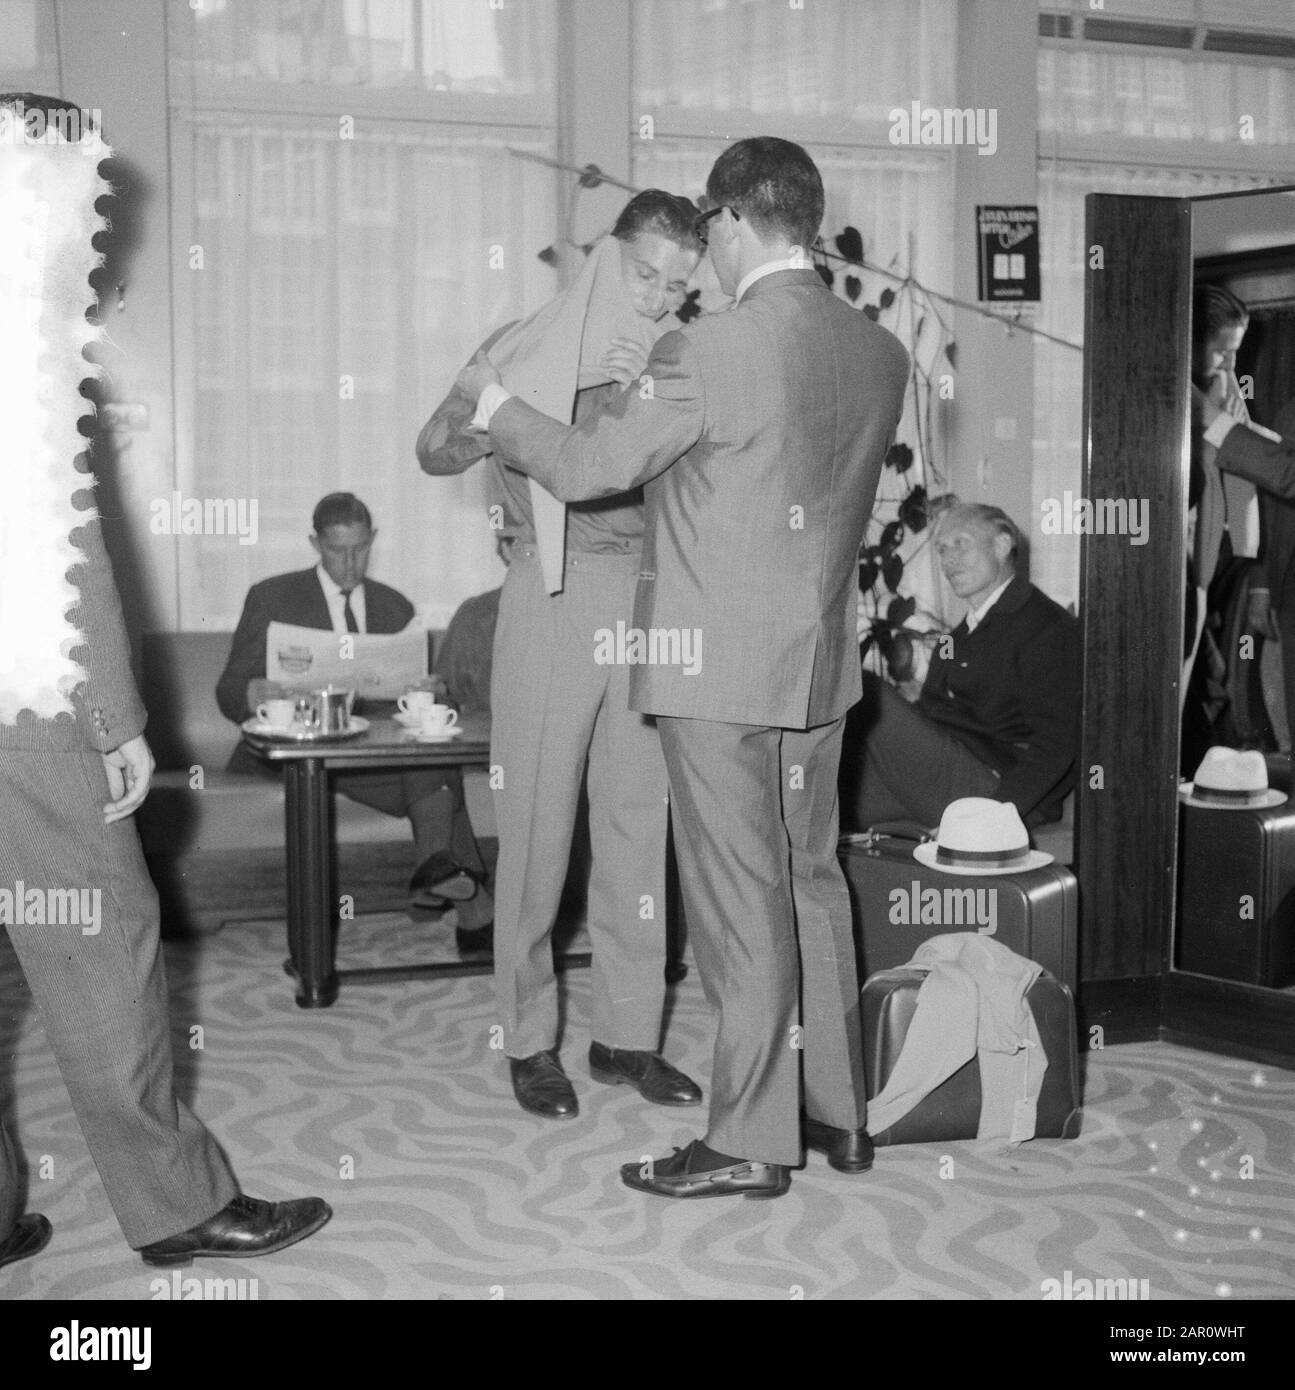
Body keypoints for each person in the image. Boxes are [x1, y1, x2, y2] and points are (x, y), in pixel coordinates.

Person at [458, 136, 910, 1198]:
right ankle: (839, 1114)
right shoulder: (877, 349)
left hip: (716, 674)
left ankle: (748, 1139)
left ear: (733, 222)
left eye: (705, 231)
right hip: (817, 668)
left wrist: (494, 409)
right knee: (812, 882)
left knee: (736, 902)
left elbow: (581, 466)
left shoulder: (707, 350)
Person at [0, 89, 329, 1270]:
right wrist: (117, 718)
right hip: (26, 709)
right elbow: (57, 551)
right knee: (105, 942)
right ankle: (179, 1206)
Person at [418, 190, 704, 1121]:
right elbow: (434, 450)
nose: (660, 297)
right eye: (644, 274)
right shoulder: (519, 338)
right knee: (535, 824)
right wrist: (527, 398)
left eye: (677, 283)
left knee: (636, 824)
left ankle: (626, 1037)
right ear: (601, 257)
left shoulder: (679, 357)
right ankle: (528, 1040)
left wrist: (641, 394)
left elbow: (698, 485)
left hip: (649, 594)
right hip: (549, 587)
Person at [216, 492, 493, 946]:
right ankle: (467, 902)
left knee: (429, 757)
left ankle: (445, 882)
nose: (350, 562)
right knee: (429, 770)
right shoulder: (271, 597)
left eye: (360, 548)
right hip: (295, 752)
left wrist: (425, 692)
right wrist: (248, 692)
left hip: (364, 754)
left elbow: (402, 699)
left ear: (373, 540)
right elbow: (227, 690)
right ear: (314, 542)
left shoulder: (394, 607)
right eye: (337, 550)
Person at [840, 503, 1080, 832]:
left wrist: (994, 815)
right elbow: (932, 710)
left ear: (1001, 545)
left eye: (961, 544)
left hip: (995, 788)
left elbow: (1057, 742)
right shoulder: (956, 638)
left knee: (865, 689)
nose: (948, 559)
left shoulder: (1045, 625)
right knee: (837, 800)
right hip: (950, 775)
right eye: (941, 549)